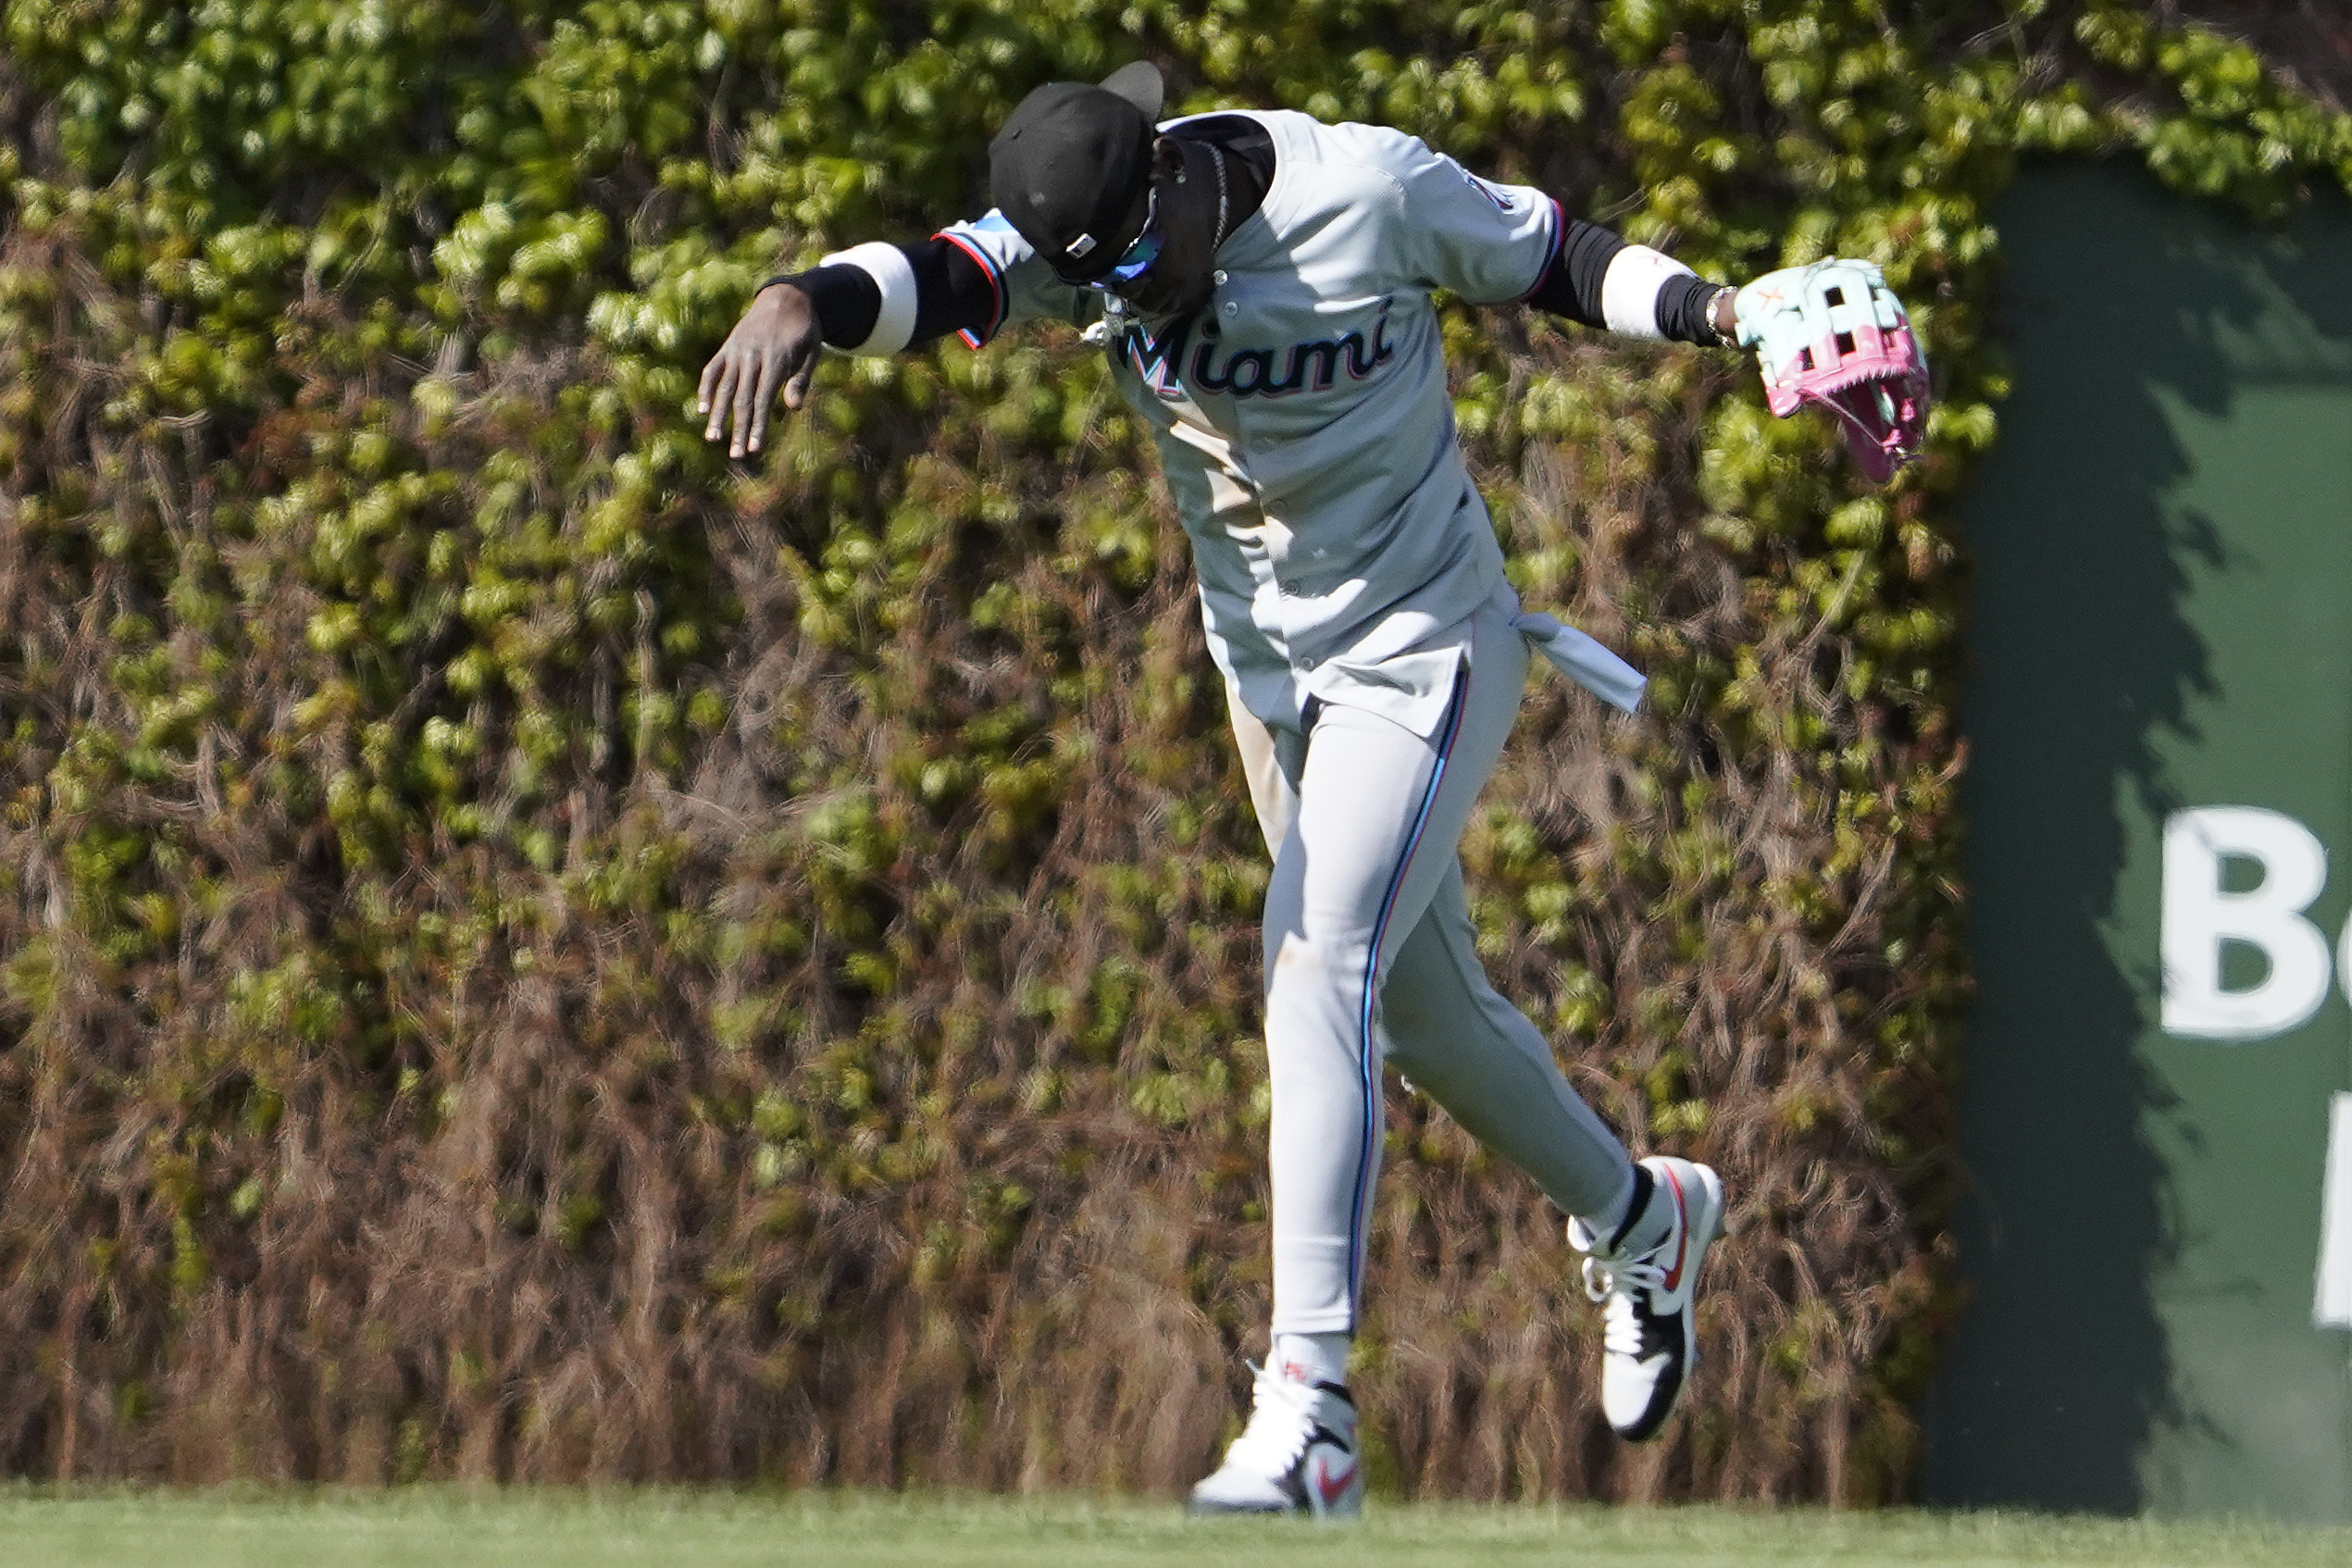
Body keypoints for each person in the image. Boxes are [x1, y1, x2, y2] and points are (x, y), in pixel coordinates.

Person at [698, 61, 1914, 1518]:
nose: (1132, 303)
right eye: (1103, 287)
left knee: (1309, 965)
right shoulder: (1080, 238)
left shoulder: (1361, 186)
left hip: (1424, 647)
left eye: (1141, 268)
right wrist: (795, 297)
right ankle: (1641, 1215)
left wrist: (1724, 311)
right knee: (1421, 1017)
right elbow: (934, 275)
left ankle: (1312, 1410)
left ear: (1166, 178)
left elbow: (1554, 258)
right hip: (1269, 678)